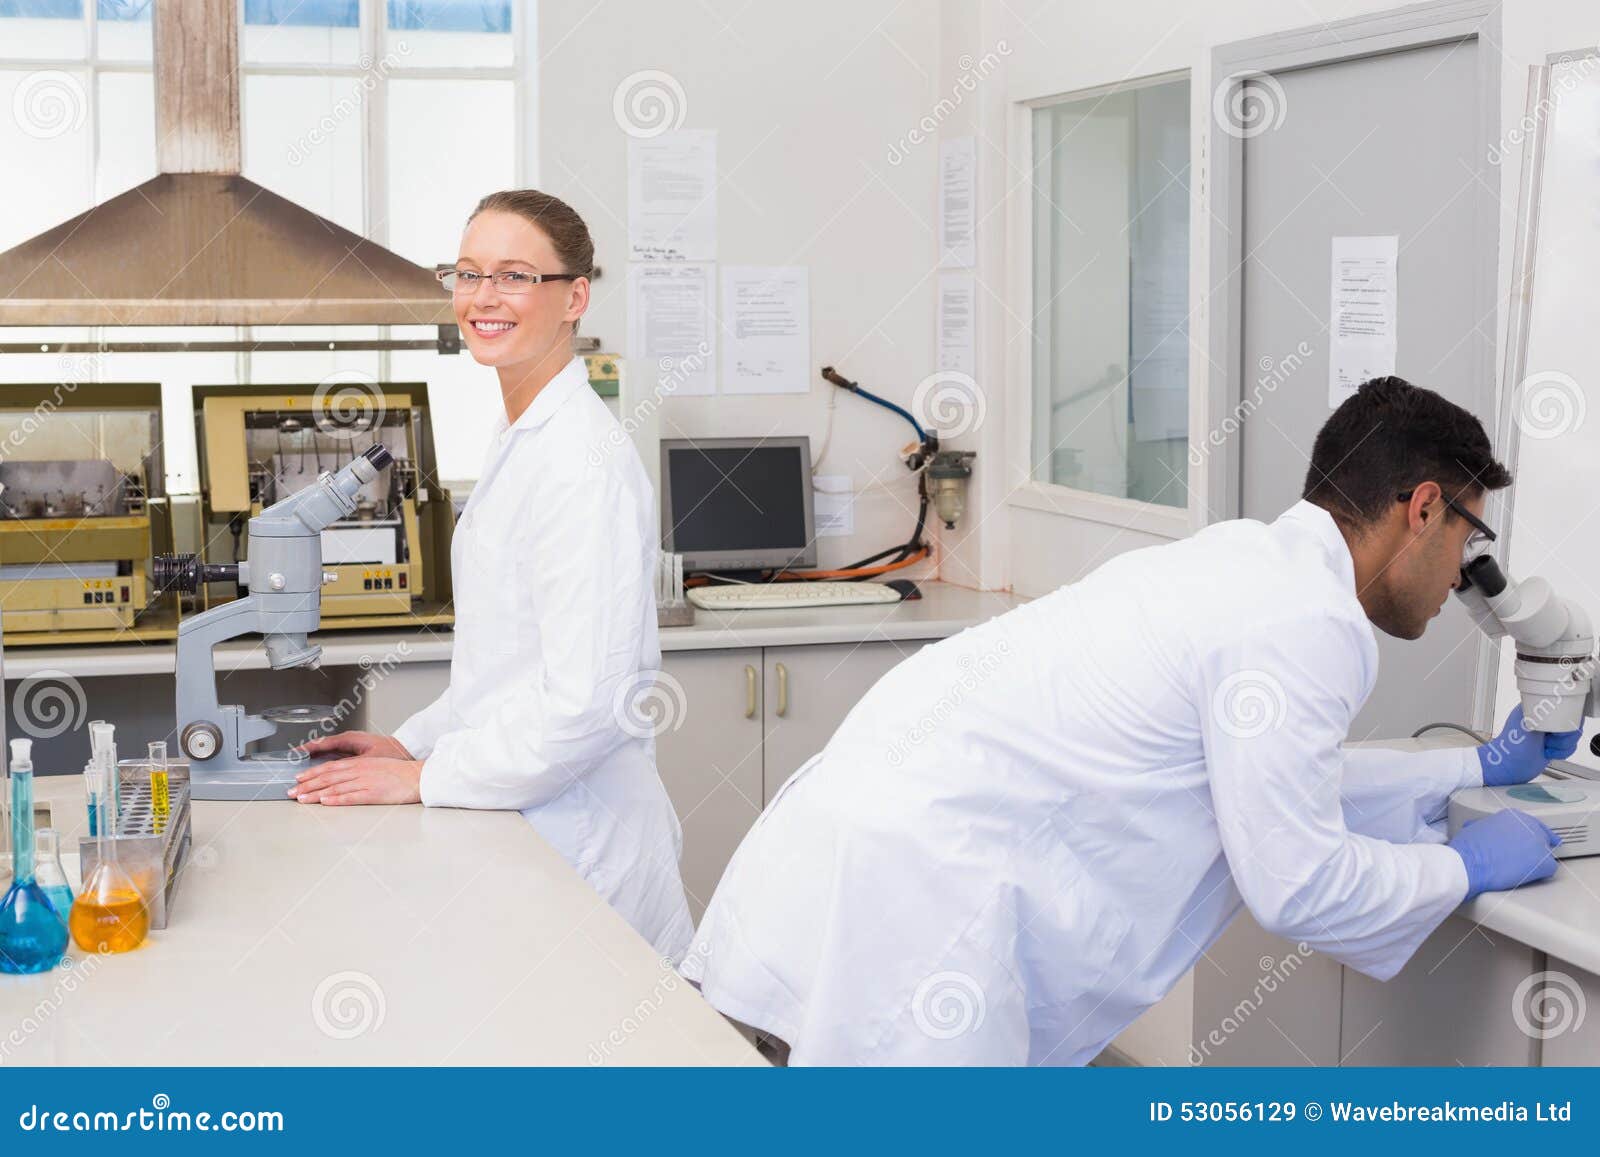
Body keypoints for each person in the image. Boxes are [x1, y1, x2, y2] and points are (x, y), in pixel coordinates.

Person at [683, 376, 1581, 1064]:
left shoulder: (1245, 560)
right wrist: (1458, 869)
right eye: (1470, 538)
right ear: (1423, 508)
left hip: (838, 863)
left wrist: (1471, 770)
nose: (1463, 567)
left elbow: (1269, 787)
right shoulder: (1307, 624)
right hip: (918, 918)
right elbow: (1297, 879)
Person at [291, 189, 693, 962]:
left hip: (584, 843)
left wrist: (424, 778)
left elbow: (584, 705)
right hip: (529, 829)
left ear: (574, 296)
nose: (482, 297)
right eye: (467, 273)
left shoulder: (582, 464)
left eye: (513, 275)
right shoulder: (523, 433)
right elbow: (505, 676)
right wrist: (409, 747)